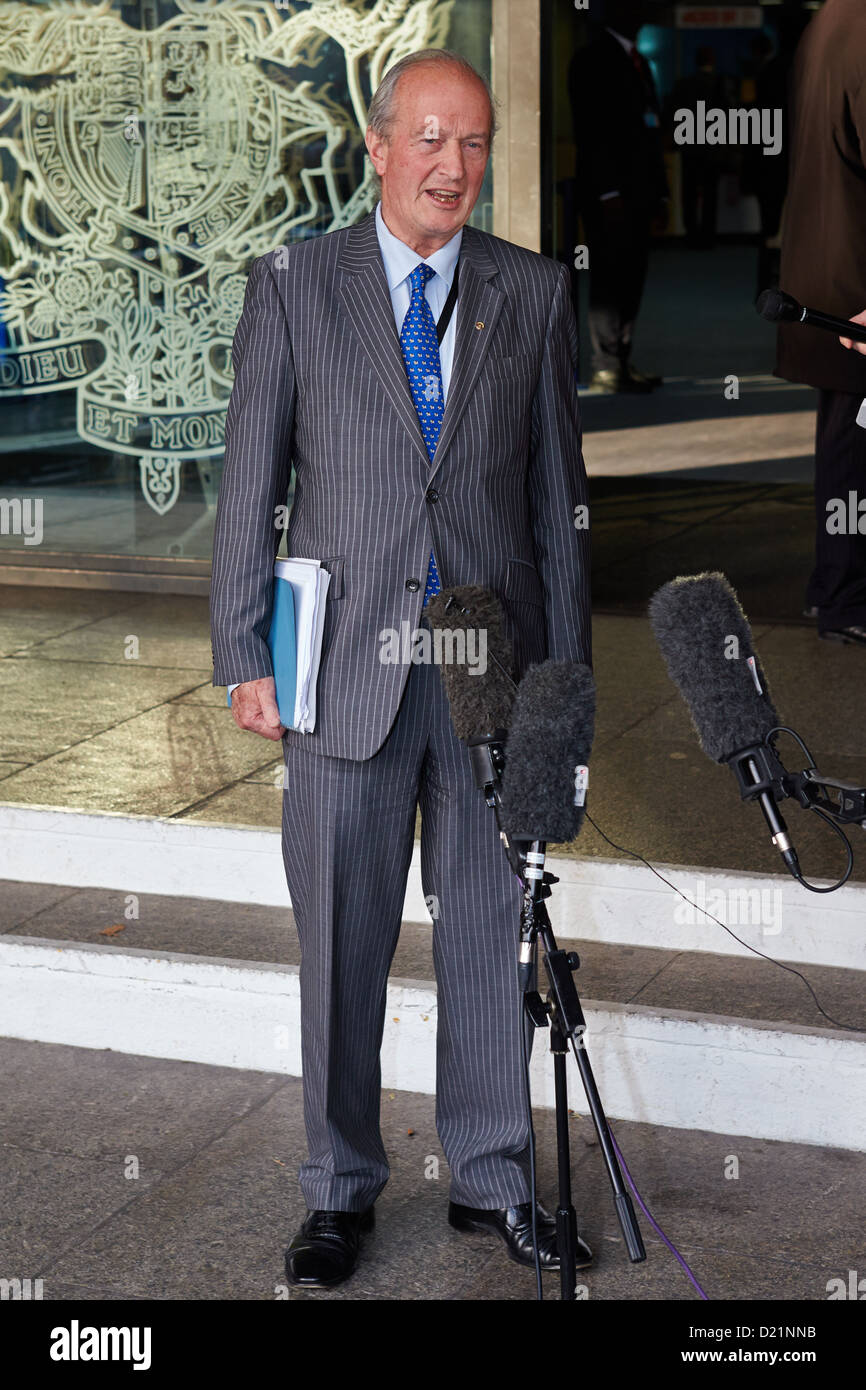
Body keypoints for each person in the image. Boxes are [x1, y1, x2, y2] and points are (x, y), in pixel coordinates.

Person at [210, 48, 592, 1289]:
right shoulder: (294, 286)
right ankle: (337, 1191)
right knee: (340, 940)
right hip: (341, 668)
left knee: (485, 936)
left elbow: (555, 508)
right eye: (428, 138)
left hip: (485, 670)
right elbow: (249, 482)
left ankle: (492, 1180)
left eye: (472, 142)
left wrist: (561, 695)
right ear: (375, 148)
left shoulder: (530, 292)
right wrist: (244, 651)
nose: (451, 164)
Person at [774, 0, 866, 646]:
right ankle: (845, 598)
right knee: (855, 443)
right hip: (855, 283)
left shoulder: (829, 23)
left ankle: (833, 589)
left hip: (831, 272)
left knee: (846, 436)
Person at [567, 0, 668, 393]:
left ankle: (621, 359)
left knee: (632, 276)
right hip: (609, 195)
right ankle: (607, 364)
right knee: (609, 279)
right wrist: (608, 191)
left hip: (640, 193)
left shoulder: (638, 63)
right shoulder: (592, 59)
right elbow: (592, 133)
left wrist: (661, 195)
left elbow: (652, 133)